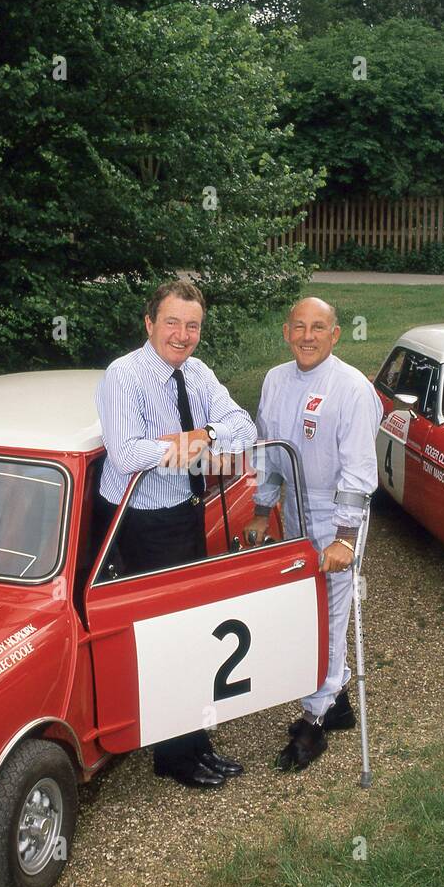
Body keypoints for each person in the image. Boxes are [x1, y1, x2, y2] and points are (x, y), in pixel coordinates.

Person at [95, 279, 258, 789]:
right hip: (138, 521)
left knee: (194, 630)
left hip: (186, 512)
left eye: (192, 326)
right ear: (149, 323)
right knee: (164, 637)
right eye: (172, 322)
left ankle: (196, 742)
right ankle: (173, 755)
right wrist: (196, 448)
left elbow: (243, 428)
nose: (182, 335)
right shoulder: (124, 376)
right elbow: (126, 453)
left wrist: (198, 437)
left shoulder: (197, 372)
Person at [248, 297, 381, 771]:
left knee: (329, 613)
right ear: (286, 332)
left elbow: (359, 471)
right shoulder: (275, 380)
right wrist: (263, 510)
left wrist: (345, 537)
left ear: (335, 334)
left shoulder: (350, 389)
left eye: (318, 327)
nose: (308, 336)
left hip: (336, 512)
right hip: (295, 509)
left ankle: (314, 719)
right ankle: (337, 697)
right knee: (305, 610)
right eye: (300, 327)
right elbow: (267, 451)